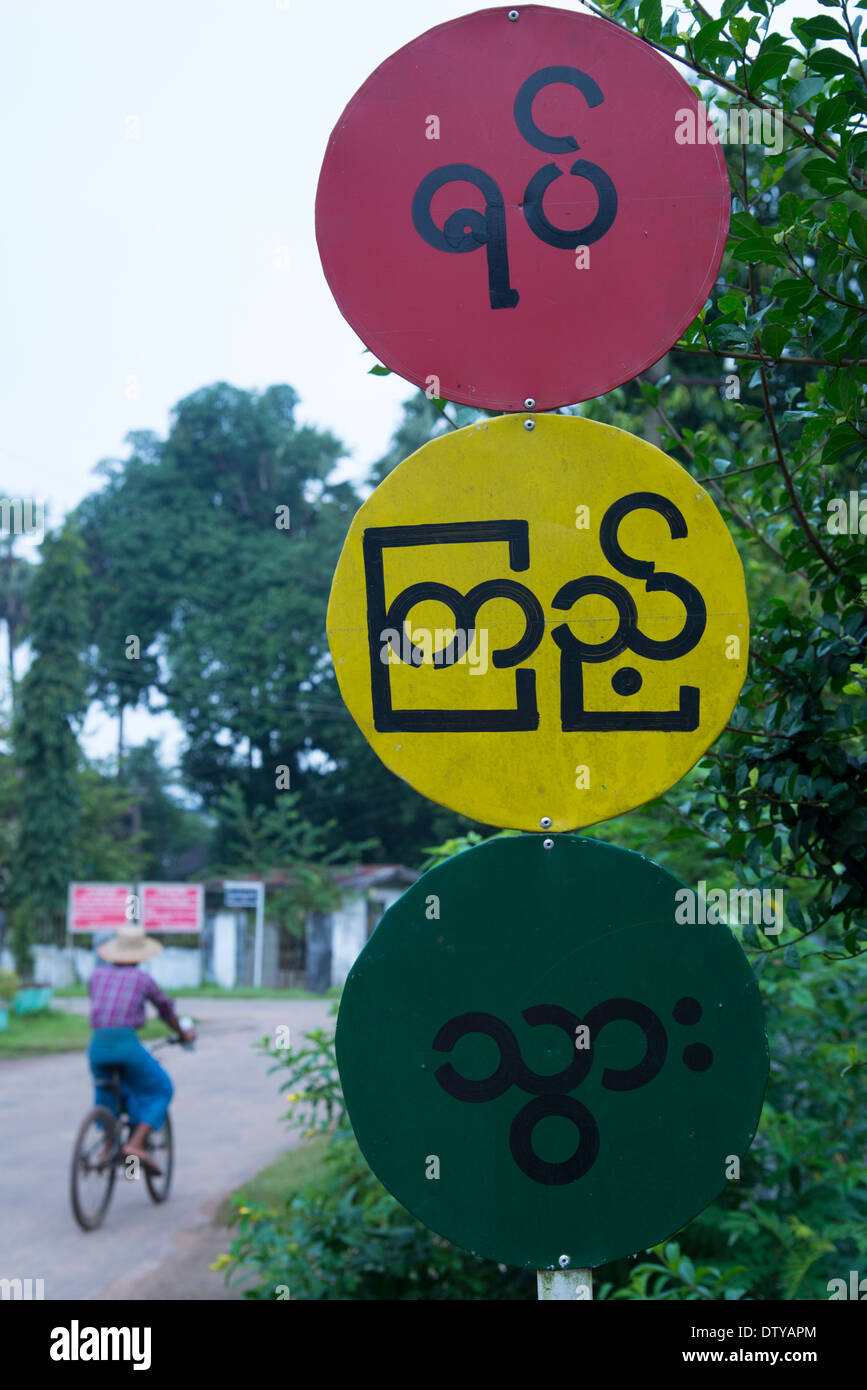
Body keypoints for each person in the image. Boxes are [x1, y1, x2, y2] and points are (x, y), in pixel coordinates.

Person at [88, 923, 195, 1175]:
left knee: (107, 1093)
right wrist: (182, 1033)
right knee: (161, 1088)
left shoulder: (96, 975)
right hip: (126, 1044)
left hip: (97, 1046)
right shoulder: (142, 979)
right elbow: (166, 1011)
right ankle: (134, 1145)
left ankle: (106, 1148)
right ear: (140, 954)